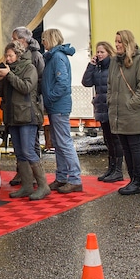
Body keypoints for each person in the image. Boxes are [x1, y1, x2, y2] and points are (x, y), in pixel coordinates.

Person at [0, 43, 48, 199]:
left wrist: (8, 75)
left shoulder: (29, 68)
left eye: (10, 55)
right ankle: (27, 186)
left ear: (18, 54)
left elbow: (26, 87)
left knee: (28, 151)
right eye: (6, 56)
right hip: (12, 116)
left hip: (27, 116)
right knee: (19, 153)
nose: (8, 59)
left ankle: (43, 186)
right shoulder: (9, 70)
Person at [108, 30, 140, 195]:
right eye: (116, 41)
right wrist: (110, 101)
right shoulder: (114, 61)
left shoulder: (139, 61)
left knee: (134, 147)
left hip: (133, 113)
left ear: (128, 42)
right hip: (118, 113)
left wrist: (130, 104)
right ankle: (132, 179)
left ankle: (137, 180)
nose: (117, 44)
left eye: (120, 41)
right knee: (125, 148)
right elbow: (110, 84)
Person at [41, 29, 83, 193]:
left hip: (58, 106)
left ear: (51, 39)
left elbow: (63, 83)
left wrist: (50, 97)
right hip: (55, 106)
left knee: (64, 142)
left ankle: (74, 178)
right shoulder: (54, 57)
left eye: (44, 39)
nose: (43, 42)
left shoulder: (57, 57)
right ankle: (62, 176)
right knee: (58, 143)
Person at [82, 42, 121, 182]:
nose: (99, 54)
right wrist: (91, 65)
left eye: (102, 52)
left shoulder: (113, 67)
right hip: (101, 106)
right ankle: (110, 168)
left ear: (109, 53)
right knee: (107, 139)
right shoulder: (97, 68)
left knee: (115, 139)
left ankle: (118, 170)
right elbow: (86, 82)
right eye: (97, 52)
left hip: (111, 106)